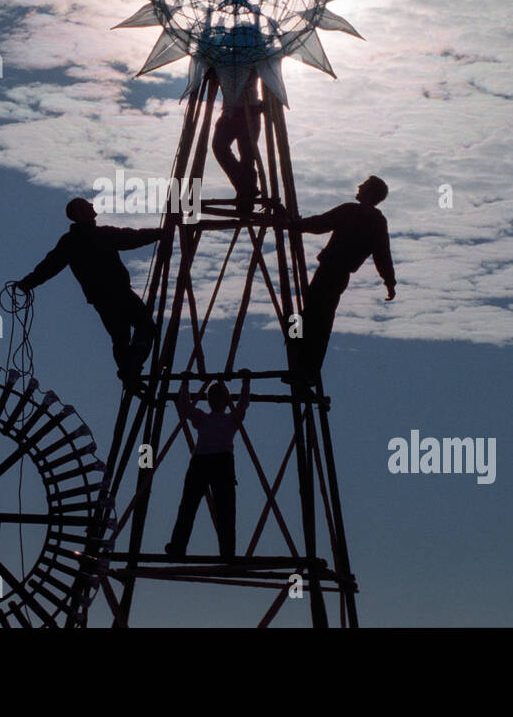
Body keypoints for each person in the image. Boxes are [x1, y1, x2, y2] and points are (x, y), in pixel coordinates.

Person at [17, 197, 163, 378]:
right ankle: (131, 367)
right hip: (117, 293)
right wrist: (159, 234)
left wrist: (27, 283)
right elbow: (132, 238)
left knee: (121, 337)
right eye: (87, 205)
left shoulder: (74, 241)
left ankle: (128, 370)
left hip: (102, 298)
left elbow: (49, 266)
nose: (92, 206)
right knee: (144, 327)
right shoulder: (93, 237)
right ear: (80, 213)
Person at [278, 176, 396, 378]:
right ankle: (304, 364)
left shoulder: (354, 212)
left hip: (331, 272)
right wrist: (389, 282)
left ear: (370, 193)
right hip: (336, 274)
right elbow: (382, 255)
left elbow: (319, 224)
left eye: (364, 185)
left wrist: (291, 224)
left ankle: (303, 365)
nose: (359, 186)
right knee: (317, 320)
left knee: (311, 319)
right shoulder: (374, 220)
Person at [164, 370, 252, 560]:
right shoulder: (209, 418)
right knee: (193, 506)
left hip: (212, 462)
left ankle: (226, 552)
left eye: (218, 398)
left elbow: (243, 404)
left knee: (219, 509)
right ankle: (180, 547)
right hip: (209, 462)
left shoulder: (221, 419)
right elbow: (185, 406)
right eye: (214, 398)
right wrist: (185, 383)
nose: (216, 401)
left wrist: (246, 382)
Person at [209, 67, 261, 215]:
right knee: (219, 147)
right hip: (230, 113)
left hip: (250, 110)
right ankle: (246, 188)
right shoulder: (222, 62)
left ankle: (246, 198)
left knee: (247, 156)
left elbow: (264, 73)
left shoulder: (253, 61)